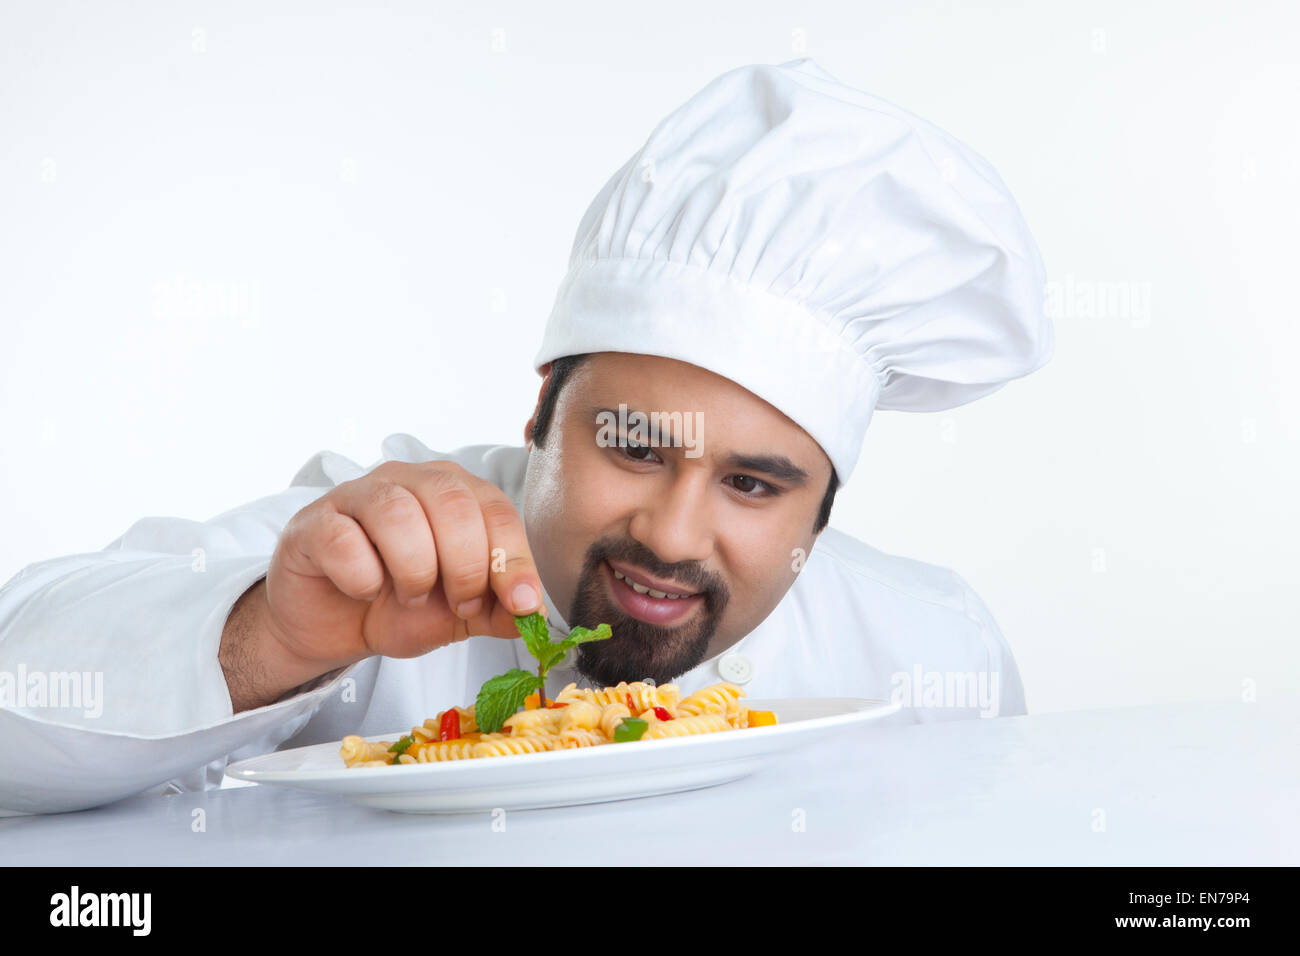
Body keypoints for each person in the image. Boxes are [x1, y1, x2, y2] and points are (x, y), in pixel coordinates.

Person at [0, 58, 1052, 814]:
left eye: (752, 484)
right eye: (635, 447)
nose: (676, 536)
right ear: (542, 407)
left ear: (820, 513)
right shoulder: (377, 546)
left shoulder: (930, 646)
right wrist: (268, 637)